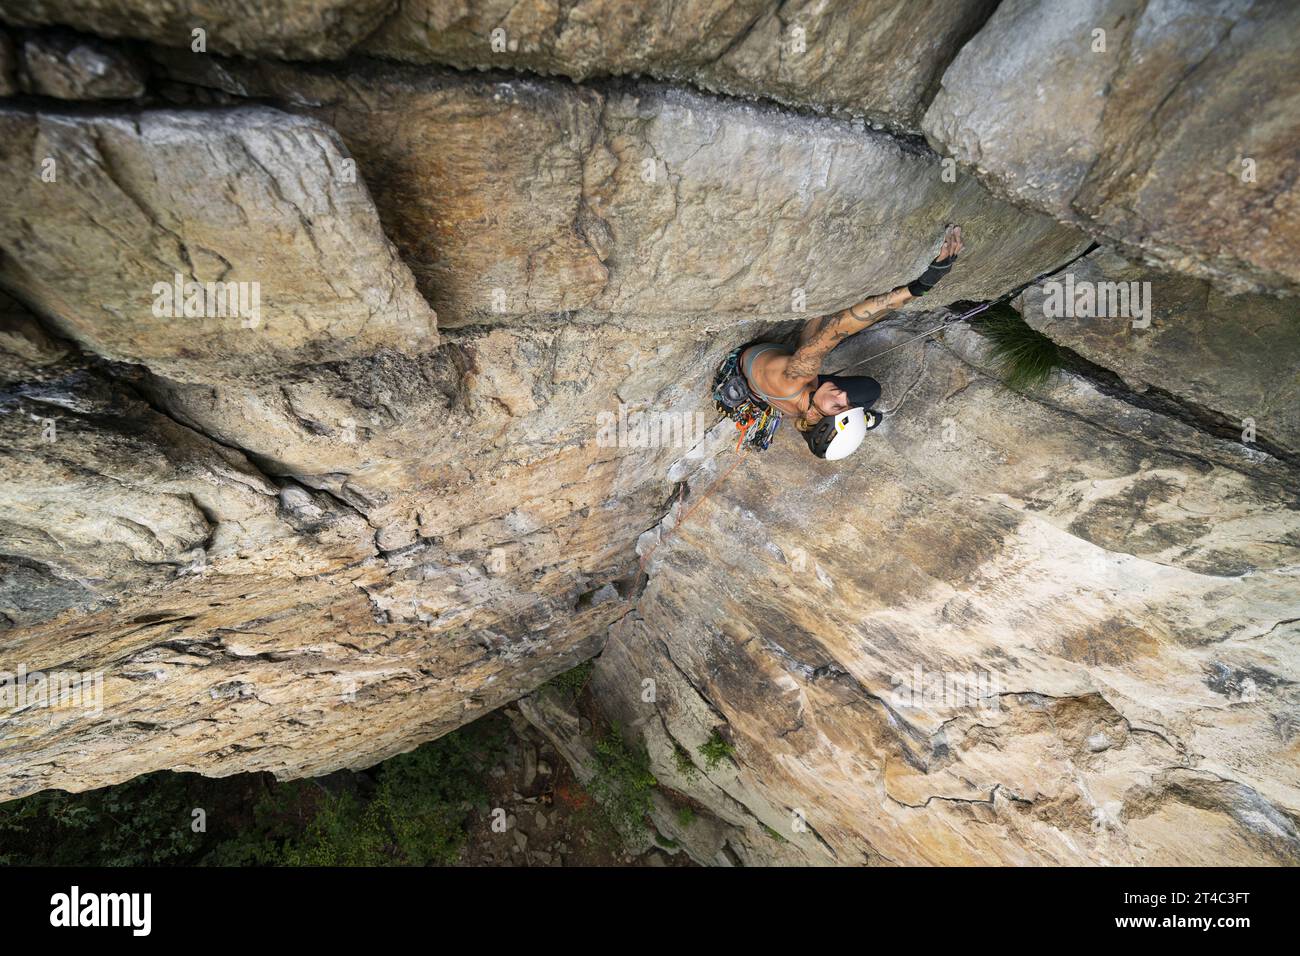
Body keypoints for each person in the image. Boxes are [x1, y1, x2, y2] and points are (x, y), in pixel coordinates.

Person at [716, 224, 964, 460]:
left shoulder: (798, 377)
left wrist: (917, 288)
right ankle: (856, 416)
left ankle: (858, 416)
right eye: (846, 404)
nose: (843, 396)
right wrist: (817, 311)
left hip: (769, 371)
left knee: (867, 392)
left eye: (838, 407)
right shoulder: (802, 408)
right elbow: (809, 345)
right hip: (772, 381)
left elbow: (840, 327)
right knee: (870, 392)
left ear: (814, 414)